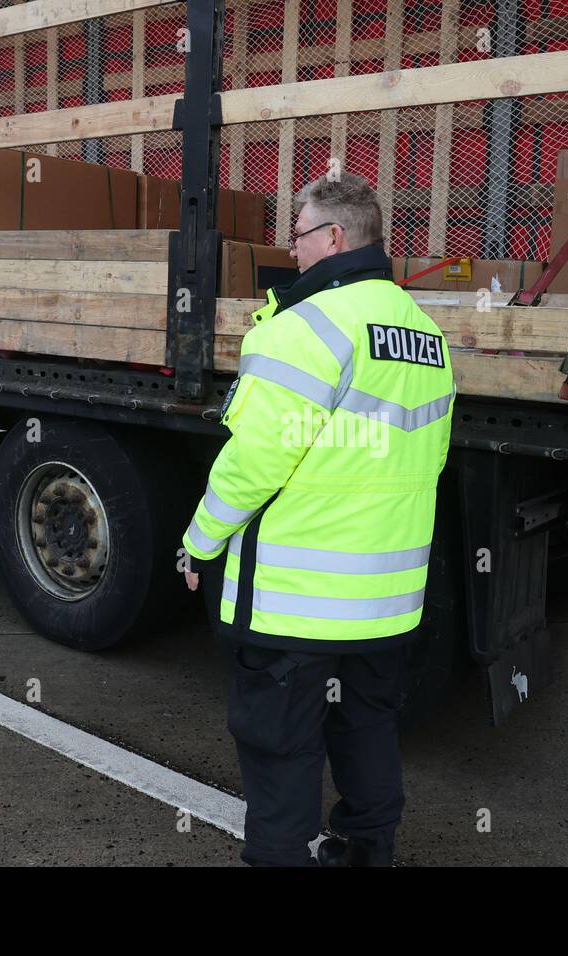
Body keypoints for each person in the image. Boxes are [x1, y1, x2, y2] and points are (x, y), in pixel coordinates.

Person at [181, 172, 455, 866]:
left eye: (298, 236)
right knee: (366, 732)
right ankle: (365, 852)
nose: (291, 252)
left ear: (333, 238)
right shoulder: (425, 334)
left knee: (280, 753)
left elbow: (257, 461)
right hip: (385, 605)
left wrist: (199, 542)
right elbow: (431, 457)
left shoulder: (301, 328)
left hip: (297, 605)